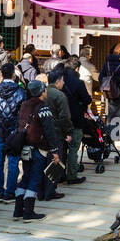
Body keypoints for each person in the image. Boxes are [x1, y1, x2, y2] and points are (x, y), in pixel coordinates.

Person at [13, 81, 55, 221]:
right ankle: (29, 212)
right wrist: (55, 151)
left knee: (25, 176)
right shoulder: (43, 109)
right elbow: (50, 132)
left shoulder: (24, 105)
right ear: (42, 92)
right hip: (38, 148)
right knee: (35, 178)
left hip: (24, 147)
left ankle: (18, 210)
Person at [0, 62, 25, 203]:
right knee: (13, 160)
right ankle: (10, 191)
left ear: (1, 75)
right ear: (14, 75)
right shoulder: (21, 92)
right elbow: (23, 114)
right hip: (15, 131)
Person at [44, 68, 75, 197]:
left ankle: (42, 189)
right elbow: (65, 117)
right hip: (57, 132)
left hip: (44, 131)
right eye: (62, 80)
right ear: (58, 81)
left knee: (45, 160)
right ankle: (50, 190)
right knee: (56, 160)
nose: (63, 83)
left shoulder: (43, 92)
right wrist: (69, 132)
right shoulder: (60, 95)